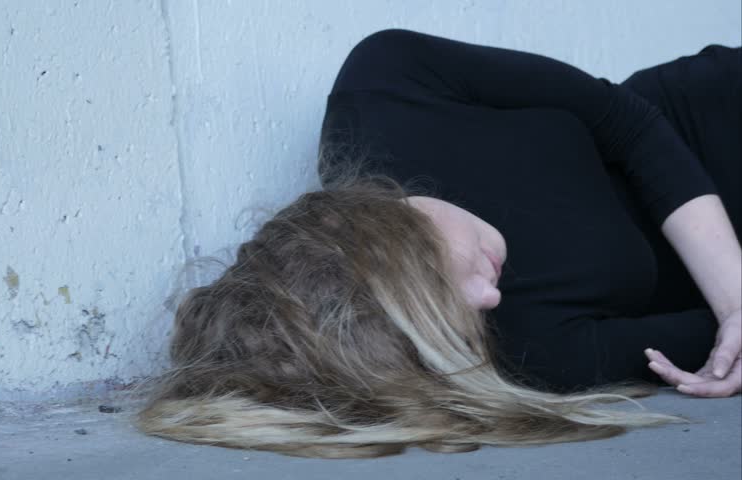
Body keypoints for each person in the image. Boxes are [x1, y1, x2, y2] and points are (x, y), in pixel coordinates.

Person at [138, 30, 741, 458]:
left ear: (380, 234)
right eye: (452, 322)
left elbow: (625, 119)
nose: (488, 299)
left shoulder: (385, 87)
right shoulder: (533, 354)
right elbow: (713, 343)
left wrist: (734, 293)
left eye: (441, 282)